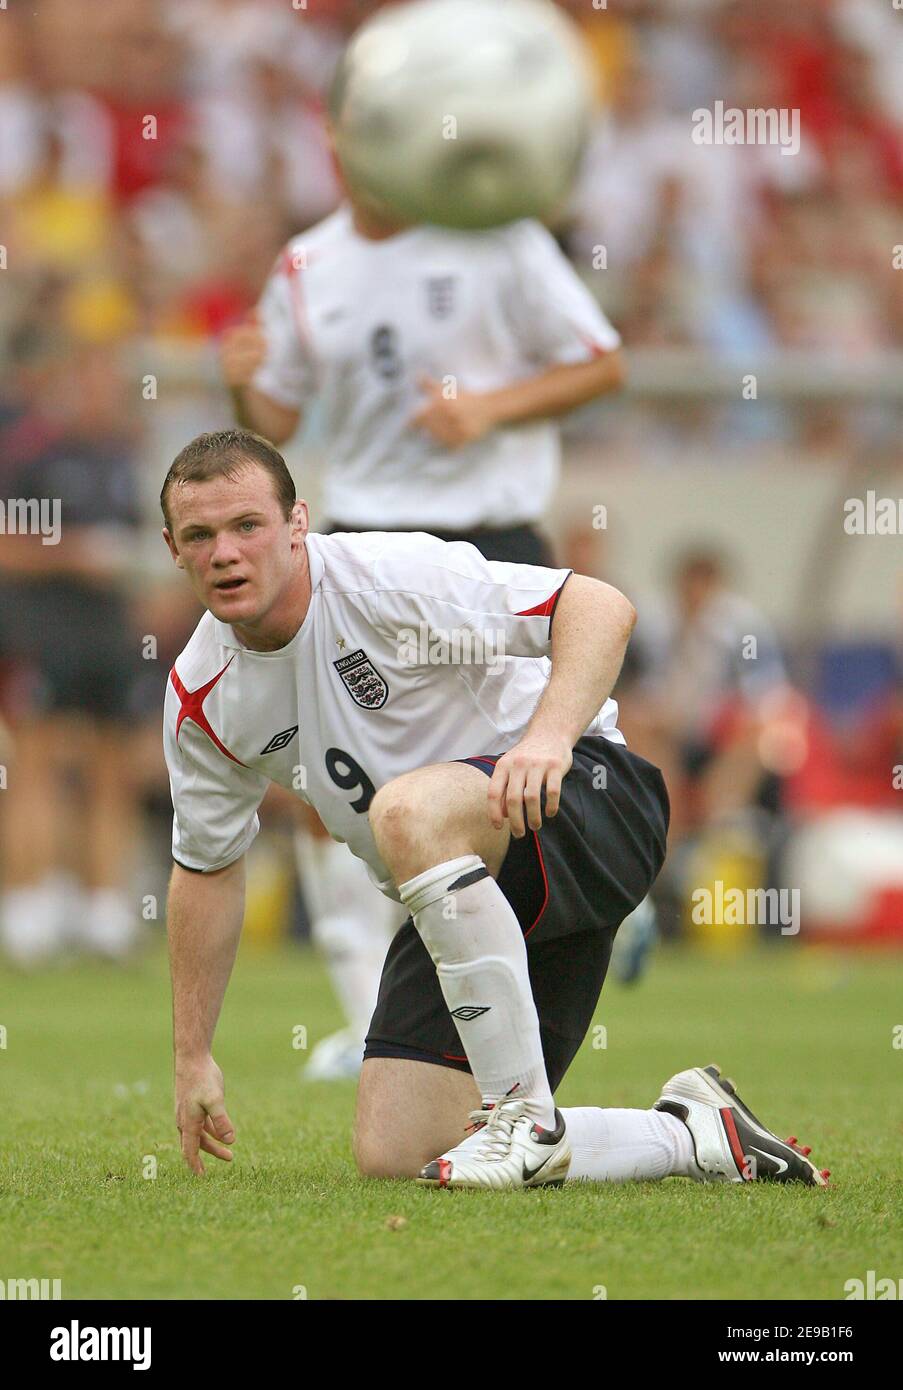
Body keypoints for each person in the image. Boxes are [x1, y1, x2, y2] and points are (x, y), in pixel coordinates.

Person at [161, 428, 828, 1190]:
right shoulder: (202, 698)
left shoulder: (386, 578)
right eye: (200, 535)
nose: (225, 552)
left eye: (247, 526)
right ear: (173, 549)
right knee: (400, 1151)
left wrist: (546, 740)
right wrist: (192, 1057)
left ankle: (521, 1114)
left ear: (296, 524)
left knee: (404, 812)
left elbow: (599, 606)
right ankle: (693, 1133)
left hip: (587, 802)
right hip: (459, 891)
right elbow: (207, 870)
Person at [220, 156, 626, 1077]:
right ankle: (373, 1018)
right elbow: (274, 416)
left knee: (534, 748)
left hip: (492, 527)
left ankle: (582, 913)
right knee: (338, 775)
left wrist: (489, 408)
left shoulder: (501, 236)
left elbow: (604, 363)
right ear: (335, 136)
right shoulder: (306, 261)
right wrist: (244, 386)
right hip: (364, 533)